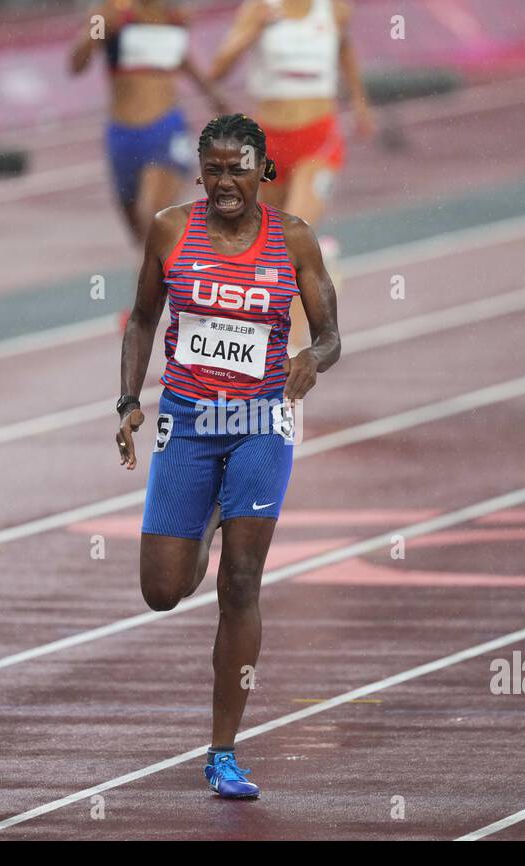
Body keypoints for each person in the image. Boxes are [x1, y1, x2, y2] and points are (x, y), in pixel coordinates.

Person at [115, 113, 340, 798]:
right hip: (186, 420)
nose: (224, 181)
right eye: (212, 168)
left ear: (263, 170)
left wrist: (310, 359)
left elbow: (332, 336)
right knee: (162, 589)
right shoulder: (169, 230)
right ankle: (207, 516)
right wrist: (127, 401)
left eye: (238, 167)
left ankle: (223, 751)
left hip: (261, 421)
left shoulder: (294, 240)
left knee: (240, 582)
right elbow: (145, 320)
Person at [210, 0, 373, 354]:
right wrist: (253, 32)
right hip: (269, 142)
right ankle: (322, 262)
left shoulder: (333, 8)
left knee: (291, 237)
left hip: (319, 139)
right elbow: (218, 68)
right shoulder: (258, 7)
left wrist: (359, 100)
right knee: (265, 246)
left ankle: (293, 347)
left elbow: (344, 48)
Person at [69, 0, 229, 249]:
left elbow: (180, 58)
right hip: (122, 136)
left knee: (153, 223)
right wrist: (93, 31)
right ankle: (172, 278)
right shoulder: (113, 16)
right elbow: (76, 66)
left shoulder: (174, 19)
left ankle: (165, 282)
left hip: (165, 130)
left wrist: (214, 96)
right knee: (140, 238)